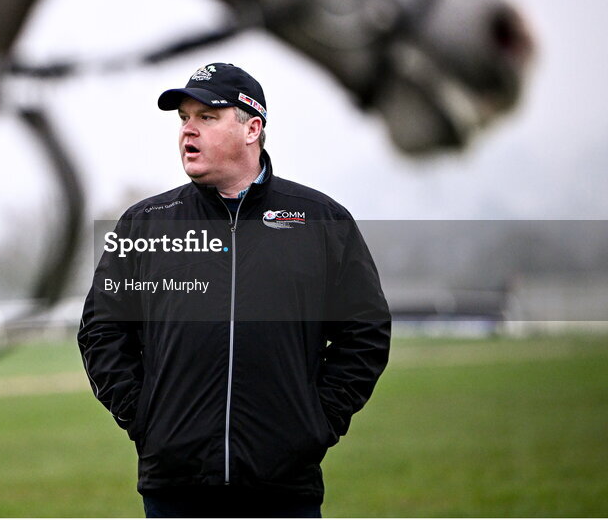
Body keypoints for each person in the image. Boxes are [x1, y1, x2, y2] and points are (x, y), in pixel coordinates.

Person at [78, 62, 390, 518]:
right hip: (176, 488)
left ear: (252, 128)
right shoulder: (145, 224)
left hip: (283, 487)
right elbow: (102, 330)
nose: (188, 129)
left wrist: (316, 421)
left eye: (206, 117)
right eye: (184, 117)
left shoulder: (321, 221)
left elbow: (365, 331)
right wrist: (144, 417)